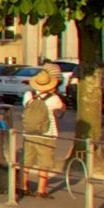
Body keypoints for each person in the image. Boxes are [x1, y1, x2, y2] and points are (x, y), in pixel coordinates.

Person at [21, 64, 66, 197]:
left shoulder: (28, 95)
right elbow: (61, 109)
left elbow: (25, 106)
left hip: (29, 132)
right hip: (47, 134)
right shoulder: (54, 99)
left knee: (26, 161)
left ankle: (23, 185)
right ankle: (41, 190)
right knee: (44, 163)